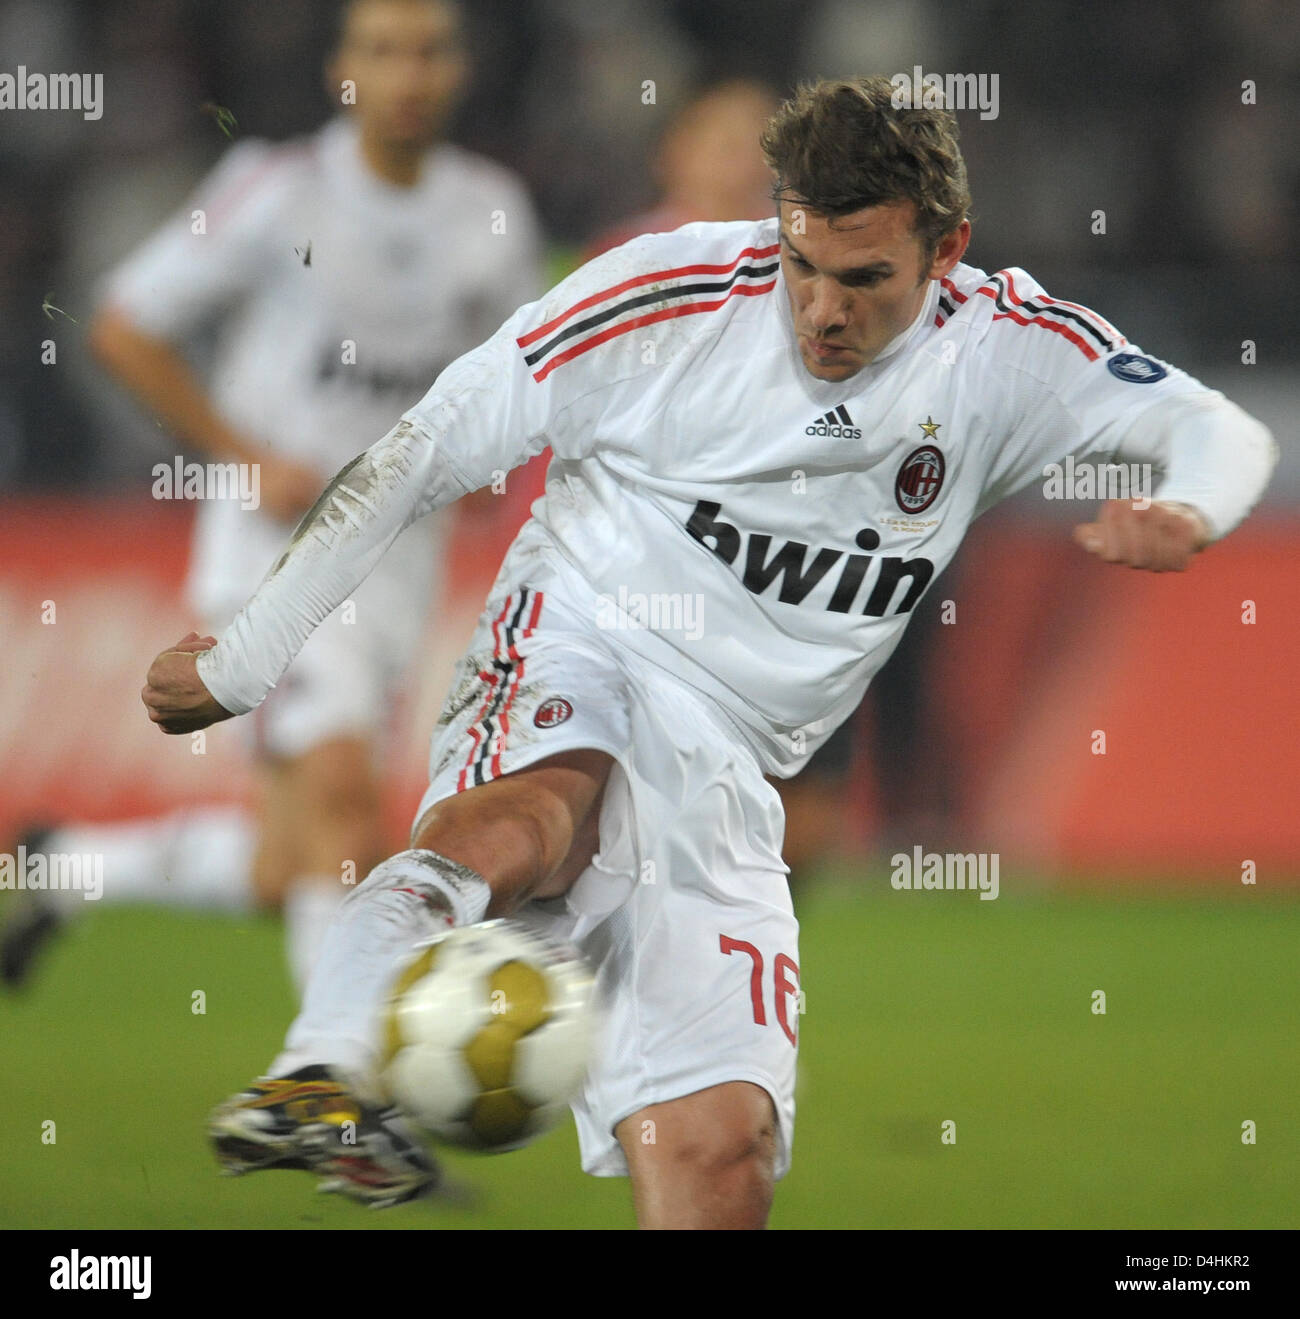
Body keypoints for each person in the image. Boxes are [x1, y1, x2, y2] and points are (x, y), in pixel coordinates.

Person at [140, 77, 1276, 1229]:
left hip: (733, 768)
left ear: (948, 251)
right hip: (584, 633)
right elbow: (424, 447)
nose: (821, 310)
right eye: (801, 264)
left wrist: (1186, 509)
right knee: (532, 818)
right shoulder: (663, 295)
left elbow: (1221, 430)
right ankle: (321, 1066)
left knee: (722, 1155)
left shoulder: (1006, 354)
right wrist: (246, 661)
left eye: (864, 277)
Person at [2, 0, 542, 996]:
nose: (408, 74)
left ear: (457, 71)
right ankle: (335, 1100)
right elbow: (124, 326)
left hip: (395, 568)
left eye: (427, 52)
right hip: (276, 556)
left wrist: (484, 466)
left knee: (288, 861)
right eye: (384, 52)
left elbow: (511, 377)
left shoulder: (491, 212)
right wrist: (243, 455)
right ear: (345, 71)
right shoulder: (273, 190)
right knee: (345, 809)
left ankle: (68, 860)